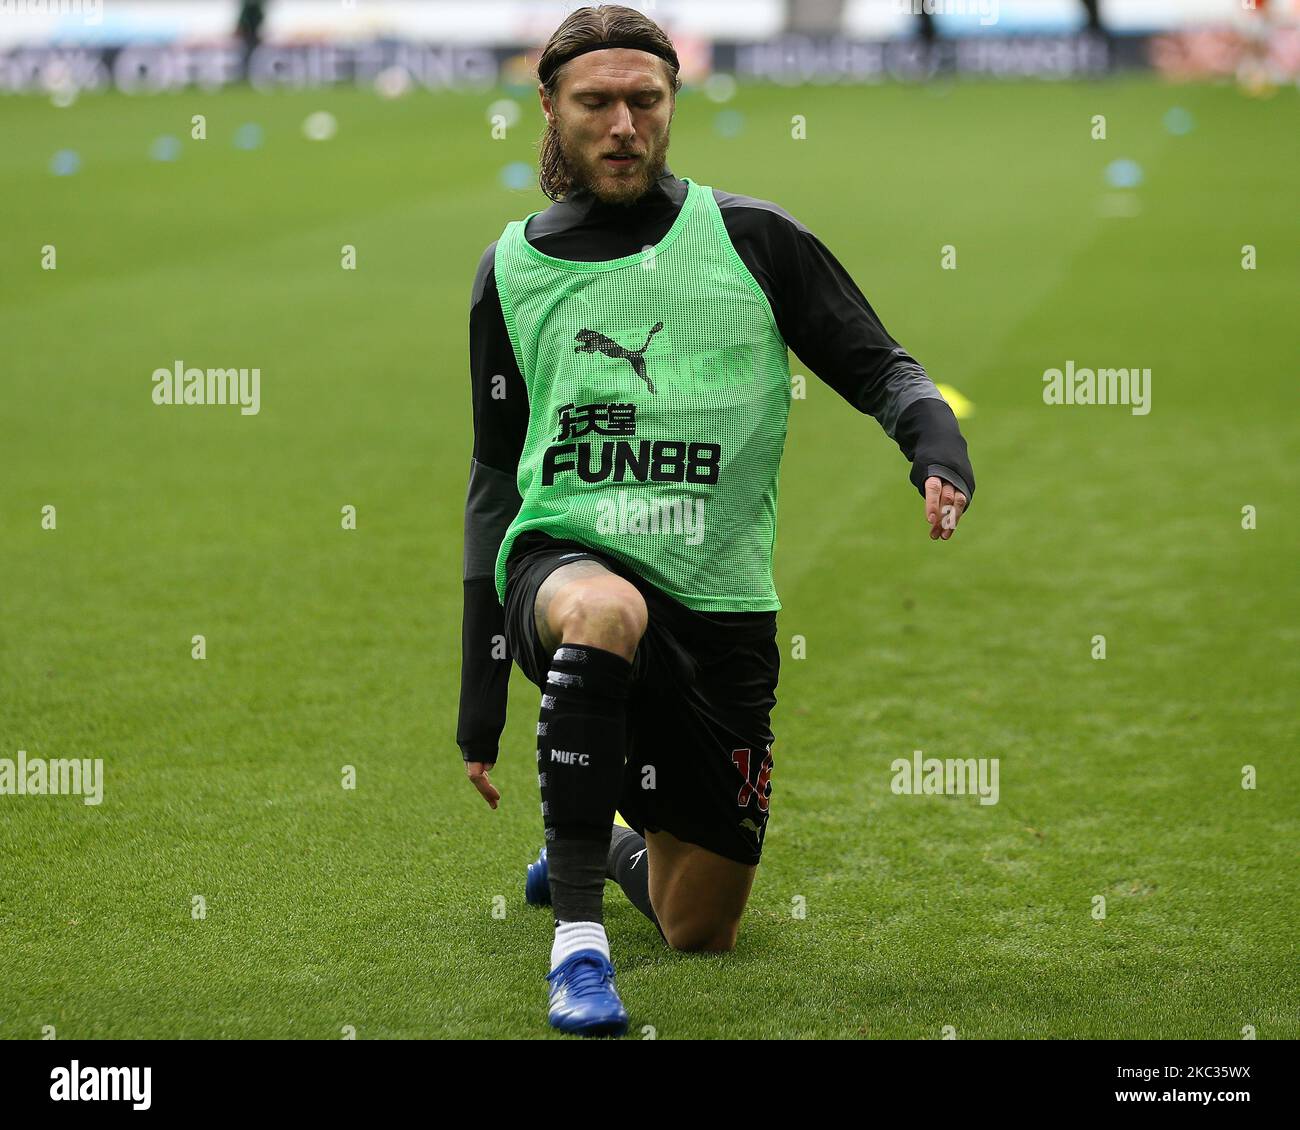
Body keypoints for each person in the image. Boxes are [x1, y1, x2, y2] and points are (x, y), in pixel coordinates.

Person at [457, 4, 976, 1037]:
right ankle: (578, 946)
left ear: (672, 105)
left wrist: (934, 443)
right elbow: (492, 476)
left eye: (643, 101)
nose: (621, 123)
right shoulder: (509, 269)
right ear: (550, 109)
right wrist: (479, 695)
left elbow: (879, 365)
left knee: (701, 925)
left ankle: (598, 837)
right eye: (595, 102)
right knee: (602, 609)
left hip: (719, 604)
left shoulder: (753, 239)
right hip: (565, 570)